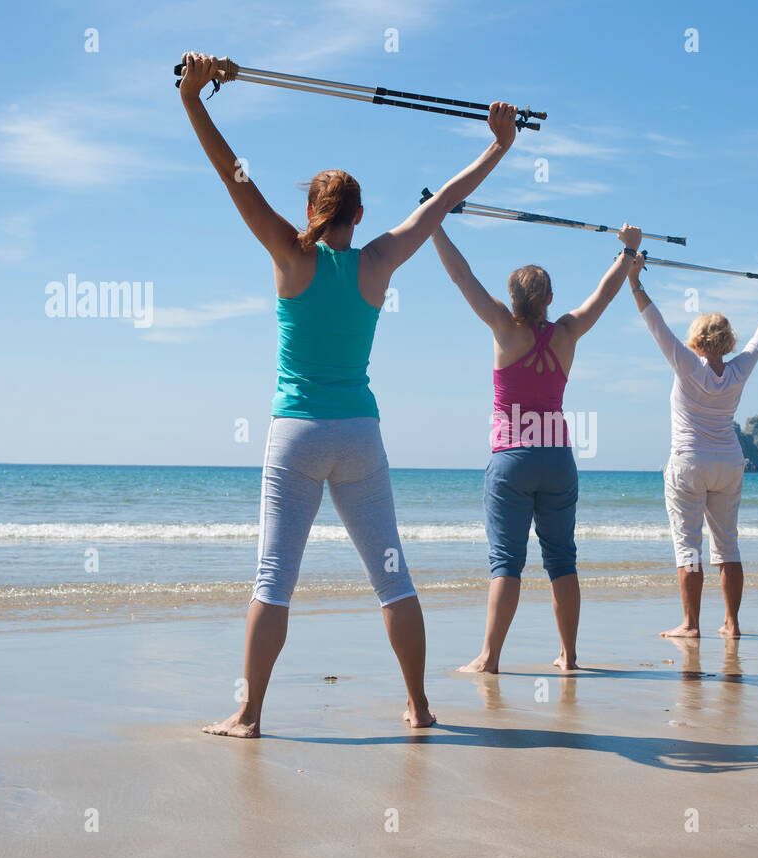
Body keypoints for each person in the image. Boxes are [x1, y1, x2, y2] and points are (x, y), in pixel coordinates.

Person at [176, 52, 519, 735]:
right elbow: (444, 200)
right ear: (359, 215)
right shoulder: (378, 260)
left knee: (273, 579)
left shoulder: (288, 251)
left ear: (311, 210)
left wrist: (194, 99)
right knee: (392, 573)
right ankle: (420, 707)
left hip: (297, 432)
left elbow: (231, 174)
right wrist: (498, 144)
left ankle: (249, 714)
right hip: (360, 434)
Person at [430, 222, 644, 672]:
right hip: (558, 458)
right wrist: (627, 252)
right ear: (548, 299)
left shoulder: (504, 329)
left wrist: (434, 226)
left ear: (512, 299)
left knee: (506, 561)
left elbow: (462, 277)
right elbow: (604, 295)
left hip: (513, 458)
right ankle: (568, 655)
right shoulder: (567, 333)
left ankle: (490, 658)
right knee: (562, 560)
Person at [625, 255, 758, 638]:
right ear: (725, 341)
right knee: (728, 546)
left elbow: (655, 324)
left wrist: (634, 281)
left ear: (698, 340)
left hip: (689, 463)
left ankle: (690, 625)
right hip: (729, 464)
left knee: (688, 545)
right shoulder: (739, 370)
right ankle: (732, 624)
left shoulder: (687, 364)